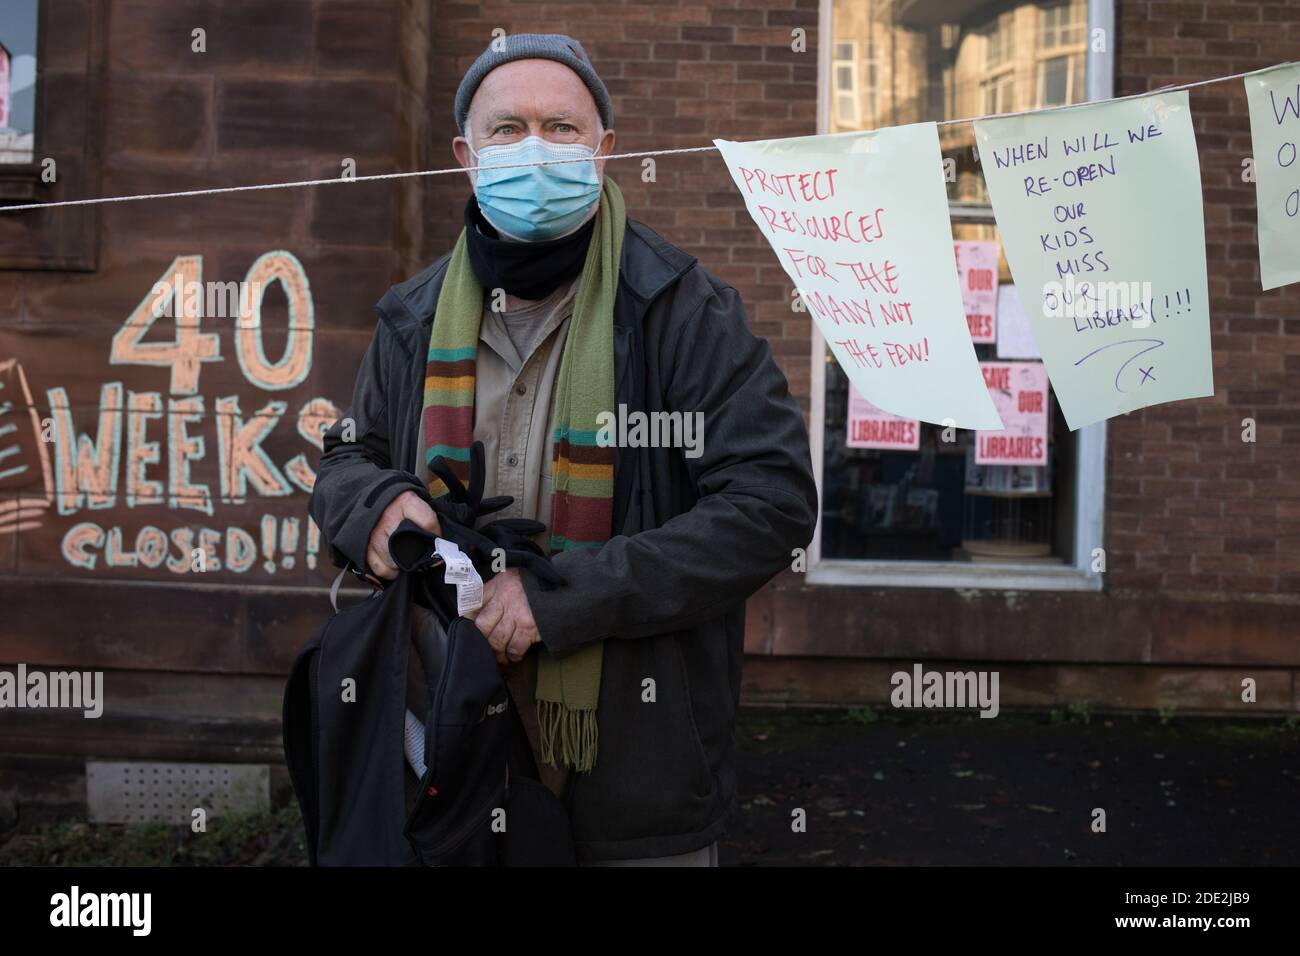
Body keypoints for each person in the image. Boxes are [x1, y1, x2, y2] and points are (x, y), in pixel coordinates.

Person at [309, 33, 818, 866]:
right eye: (508, 131)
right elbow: (344, 457)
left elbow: (771, 506)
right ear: (465, 156)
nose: (535, 149)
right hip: (447, 739)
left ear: (606, 151)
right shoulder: (413, 314)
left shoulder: (684, 310)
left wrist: (565, 596)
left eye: (562, 127)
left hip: (634, 771)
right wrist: (368, 506)